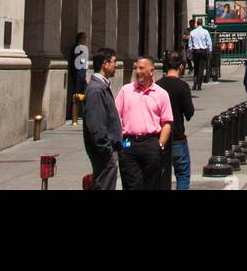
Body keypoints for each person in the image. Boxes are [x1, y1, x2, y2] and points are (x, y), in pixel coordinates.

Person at [114, 56, 172, 191]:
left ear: (151, 71)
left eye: (141, 68)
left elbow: (167, 123)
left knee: (150, 185)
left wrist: (160, 145)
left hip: (151, 144)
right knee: (131, 185)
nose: (137, 71)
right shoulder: (125, 91)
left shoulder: (162, 94)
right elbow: (115, 118)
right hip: (128, 144)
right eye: (136, 68)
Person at [82, 48, 121, 191]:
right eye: (114, 62)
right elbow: (96, 125)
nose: (115, 65)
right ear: (105, 64)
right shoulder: (96, 90)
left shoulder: (101, 87)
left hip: (106, 153)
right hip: (103, 154)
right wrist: (107, 151)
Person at [157, 51, 195, 191]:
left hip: (160, 137)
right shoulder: (182, 86)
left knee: (161, 175)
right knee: (183, 175)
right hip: (177, 137)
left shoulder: (157, 85)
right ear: (180, 66)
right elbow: (189, 113)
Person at [67, 32, 89, 119]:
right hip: (78, 75)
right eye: (84, 38)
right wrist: (80, 75)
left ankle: (82, 113)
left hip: (81, 75)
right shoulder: (77, 48)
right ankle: (74, 115)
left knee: (84, 94)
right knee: (76, 94)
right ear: (80, 39)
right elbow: (76, 64)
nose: (86, 40)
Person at [188, 17, 213, 90]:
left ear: (196, 23)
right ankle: (199, 85)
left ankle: (195, 84)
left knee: (196, 68)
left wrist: (191, 52)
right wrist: (210, 51)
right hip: (203, 51)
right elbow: (209, 43)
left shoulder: (192, 32)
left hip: (196, 51)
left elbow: (190, 45)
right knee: (201, 69)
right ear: (202, 23)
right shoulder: (205, 32)